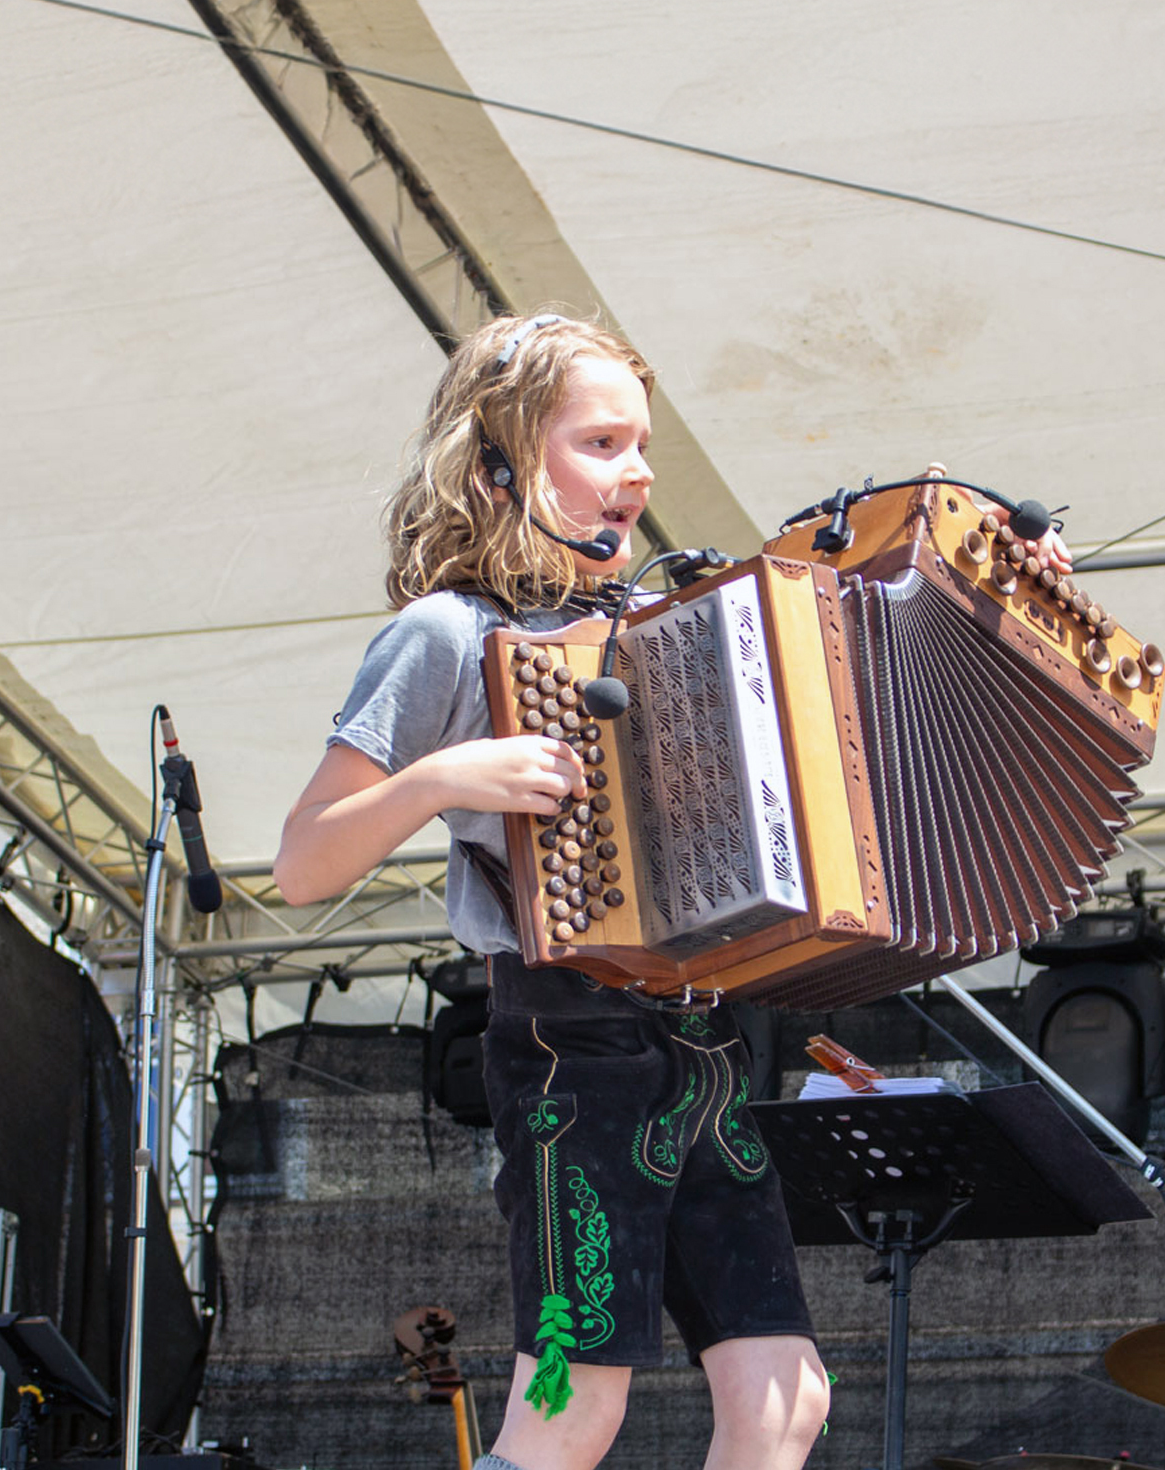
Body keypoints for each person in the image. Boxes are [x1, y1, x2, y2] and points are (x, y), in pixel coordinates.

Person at [272, 310, 828, 1470]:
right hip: (570, 1042)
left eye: (641, 447)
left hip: (710, 1040)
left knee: (784, 1398)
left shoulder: (665, 625)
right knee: (574, 1403)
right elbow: (303, 861)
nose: (638, 473)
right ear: (498, 461)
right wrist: (438, 778)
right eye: (603, 444)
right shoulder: (445, 635)